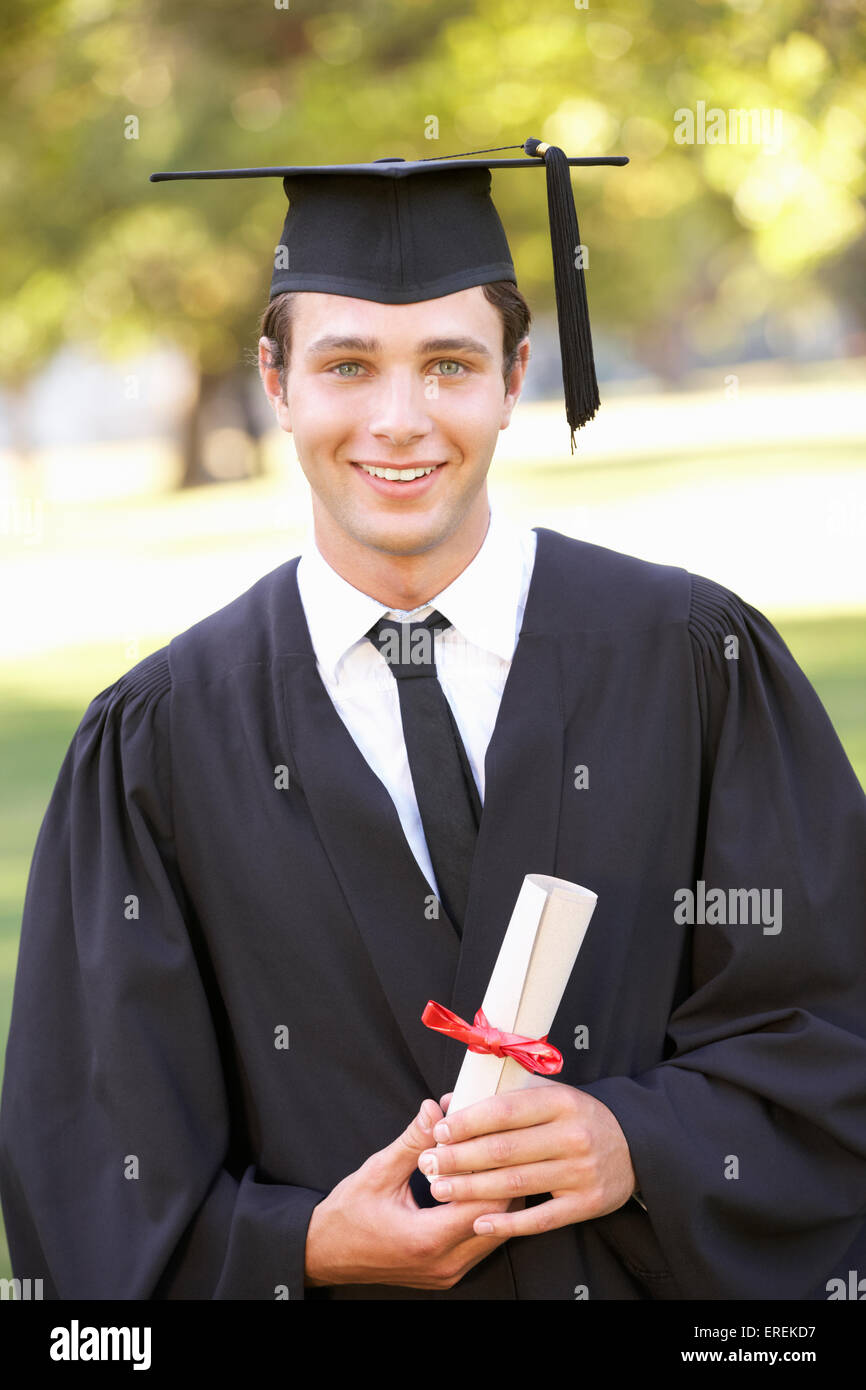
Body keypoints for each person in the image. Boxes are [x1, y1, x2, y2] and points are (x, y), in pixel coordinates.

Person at [1, 141, 865, 1302]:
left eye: (448, 364)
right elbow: (90, 1170)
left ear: (515, 376)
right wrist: (300, 1248)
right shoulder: (158, 742)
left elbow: (829, 1027)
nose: (399, 421)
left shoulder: (691, 663)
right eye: (348, 365)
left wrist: (637, 1143)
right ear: (275, 381)